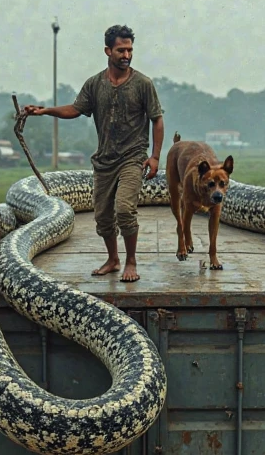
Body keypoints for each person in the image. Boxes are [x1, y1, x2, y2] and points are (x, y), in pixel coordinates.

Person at [24, 24, 164, 283]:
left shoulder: (143, 84)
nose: (126, 55)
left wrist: (155, 156)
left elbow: (157, 119)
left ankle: (131, 261)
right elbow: (75, 109)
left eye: (130, 50)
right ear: (107, 51)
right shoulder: (95, 84)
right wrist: (44, 111)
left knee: (124, 209)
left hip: (133, 157)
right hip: (104, 160)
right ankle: (113, 259)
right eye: (121, 50)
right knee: (102, 216)